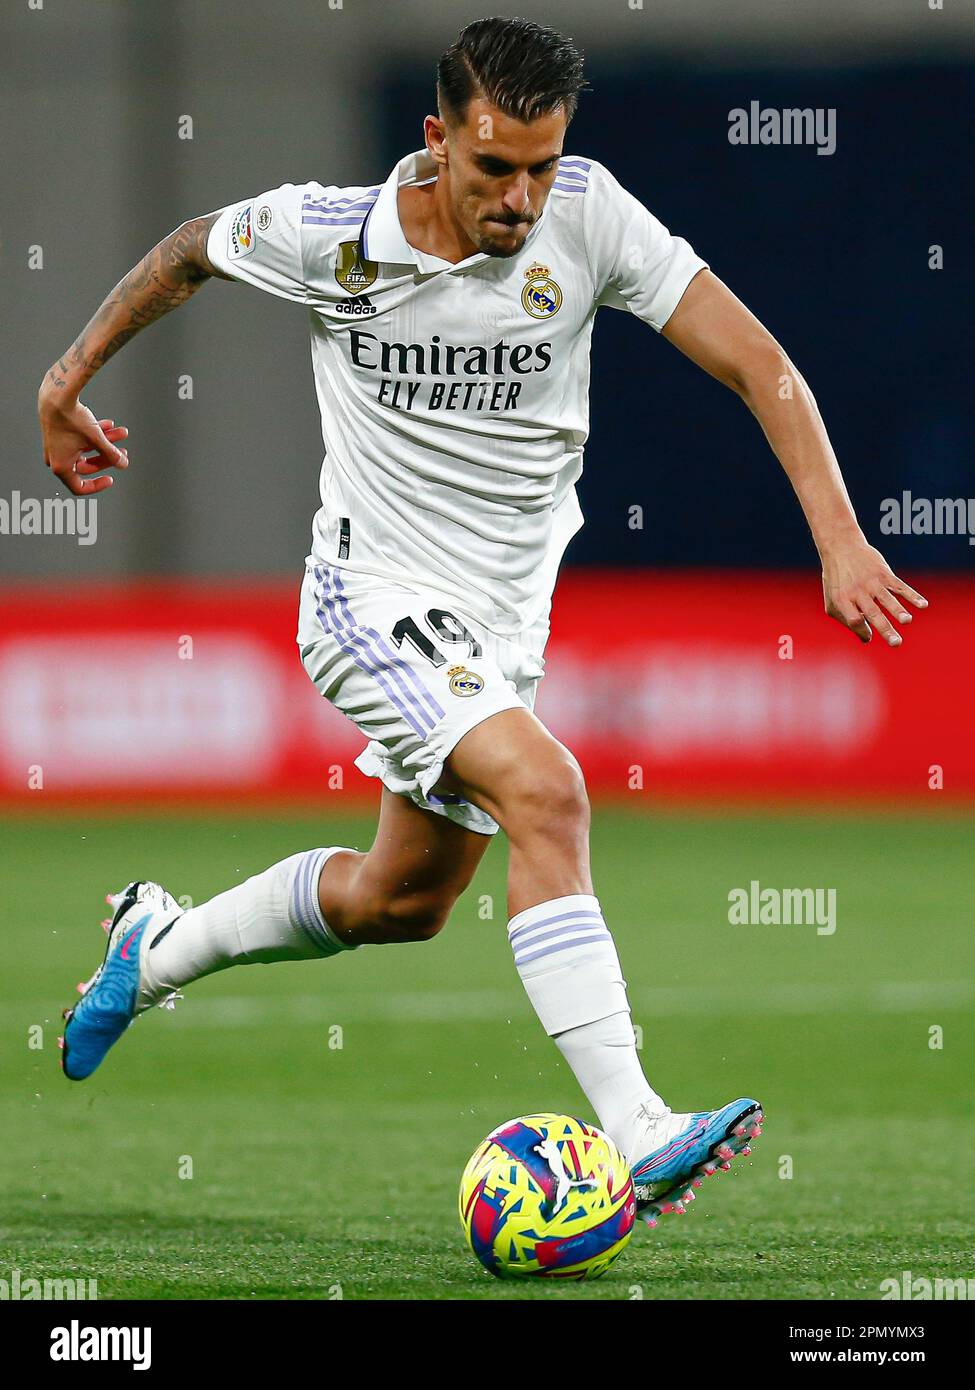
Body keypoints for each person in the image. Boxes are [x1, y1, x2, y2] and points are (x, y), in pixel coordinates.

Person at [38, 16, 925, 1226]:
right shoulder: (327, 234)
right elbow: (189, 251)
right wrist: (65, 379)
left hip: (502, 624)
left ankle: (159, 944)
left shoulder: (594, 218)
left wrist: (838, 533)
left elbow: (759, 363)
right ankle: (640, 1126)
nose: (520, 199)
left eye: (542, 167)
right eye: (494, 166)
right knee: (549, 793)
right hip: (369, 597)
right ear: (437, 138)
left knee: (398, 902)